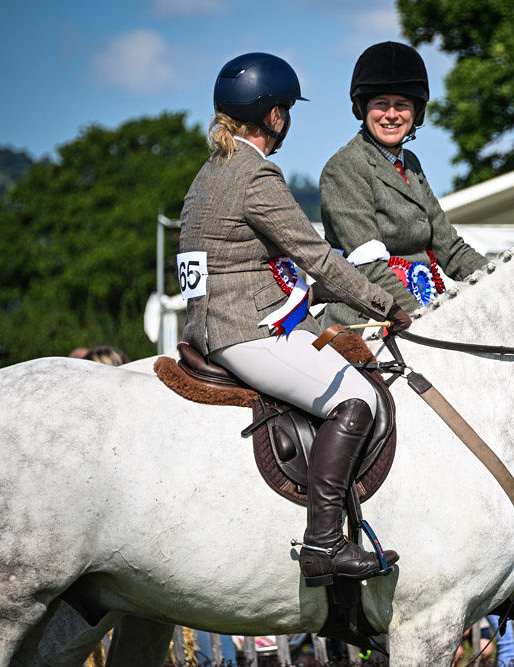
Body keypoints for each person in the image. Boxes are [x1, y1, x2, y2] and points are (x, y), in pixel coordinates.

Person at [179, 52, 411, 586]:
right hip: (244, 332)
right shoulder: (254, 174)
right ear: (275, 115)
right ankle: (324, 545)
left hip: (213, 326)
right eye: (287, 110)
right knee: (357, 399)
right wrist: (388, 306)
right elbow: (319, 258)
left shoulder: (211, 171)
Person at [317, 41, 485, 327]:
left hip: (424, 306)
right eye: (381, 103)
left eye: (402, 105)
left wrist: (503, 278)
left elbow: (451, 249)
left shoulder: (411, 165)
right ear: (362, 108)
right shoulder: (345, 167)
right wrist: (424, 316)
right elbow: (368, 266)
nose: (391, 114)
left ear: (415, 112)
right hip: (369, 318)